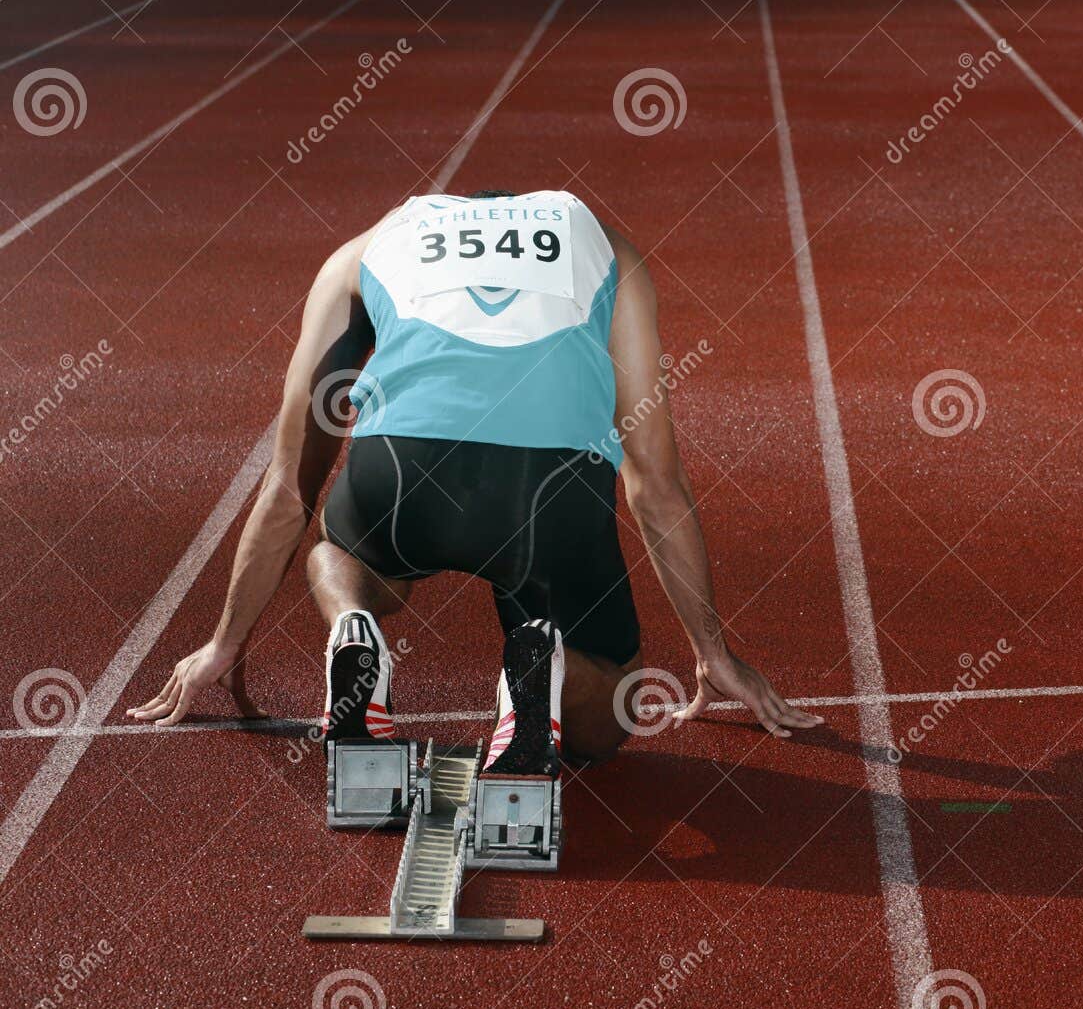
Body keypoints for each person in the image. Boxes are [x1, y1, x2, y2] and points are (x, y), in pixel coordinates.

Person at [128, 189, 820, 765]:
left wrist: (226, 642)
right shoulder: (608, 246)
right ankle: (541, 670)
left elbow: (288, 488)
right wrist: (712, 651)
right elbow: (655, 482)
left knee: (334, 553)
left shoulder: (363, 251)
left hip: (400, 479)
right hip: (548, 491)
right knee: (610, 712)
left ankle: (356, 627)